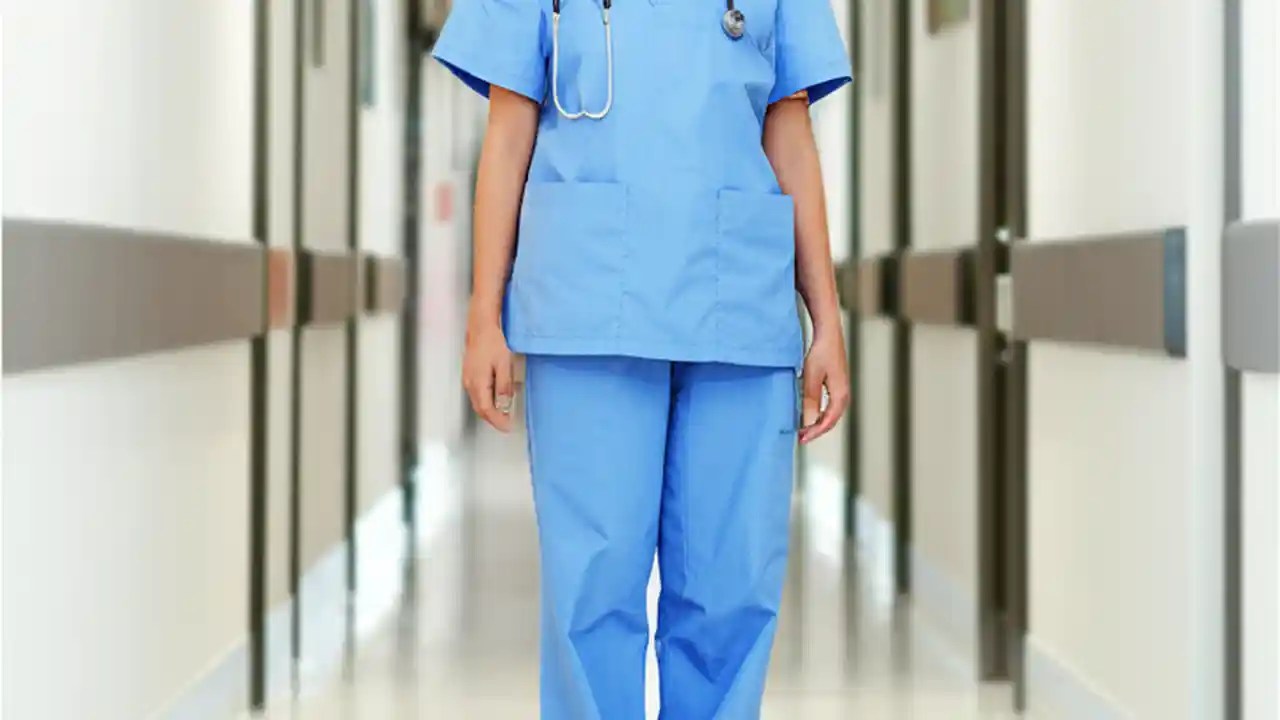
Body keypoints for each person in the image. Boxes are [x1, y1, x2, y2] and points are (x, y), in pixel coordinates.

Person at [432, 0, 851, 713]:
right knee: (592, 595)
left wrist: (827, 320)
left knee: (731, 593)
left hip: (738, 306)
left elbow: (789, 126)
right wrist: (483, 319)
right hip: (588, 304)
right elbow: (507, 134)